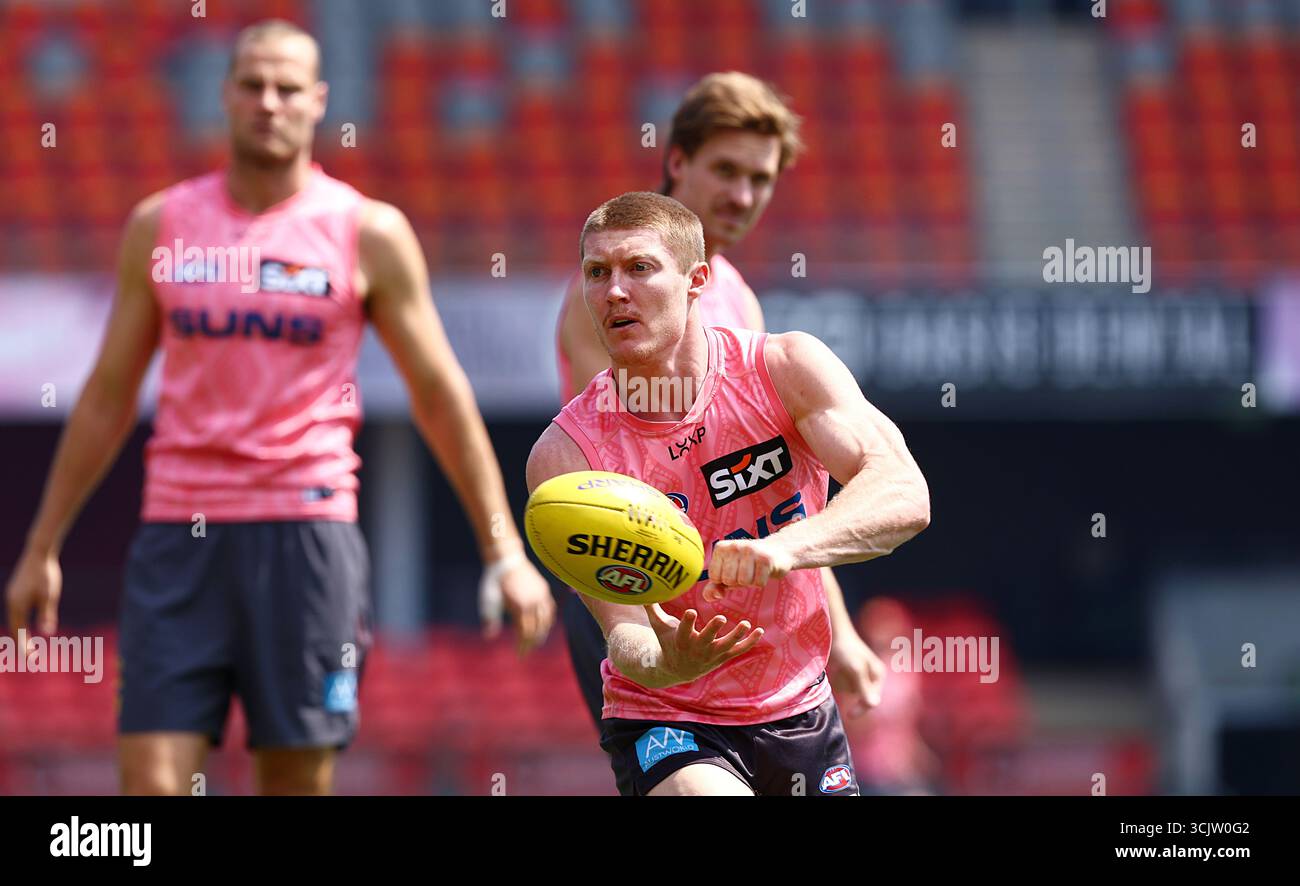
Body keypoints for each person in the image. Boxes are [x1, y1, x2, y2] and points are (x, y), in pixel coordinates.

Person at [3, 19, 554, 796]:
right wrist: (42, 544)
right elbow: (106, 396)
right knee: (150, 788)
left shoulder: (368, 232)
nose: (269, 101)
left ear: (318, 103)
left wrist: (503, 550)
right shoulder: (160, 226)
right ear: (224, 95)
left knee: (294, 784)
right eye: (253, 84)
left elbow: (438, 395)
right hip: (177, 537)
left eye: (288, 87)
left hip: (307, 534)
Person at [528, 191, 930, 795]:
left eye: (638, 268)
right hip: (667, 715)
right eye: (596, 272)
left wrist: (787, 548)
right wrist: (665, 660)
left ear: (697, 281)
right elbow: (624, 632)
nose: (613, 291)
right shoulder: (566, 458)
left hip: (798, 704)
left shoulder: (785, 369)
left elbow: (904, 493)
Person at [555, 72, 885, 731]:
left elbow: (789, 483)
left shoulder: (736, 294)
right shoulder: (614, 295)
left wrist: (840, 629)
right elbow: (633, 463)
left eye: (760, 179)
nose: (741, 195)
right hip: (637, 584)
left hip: (735, 589)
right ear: (677, 160)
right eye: (726, 169)